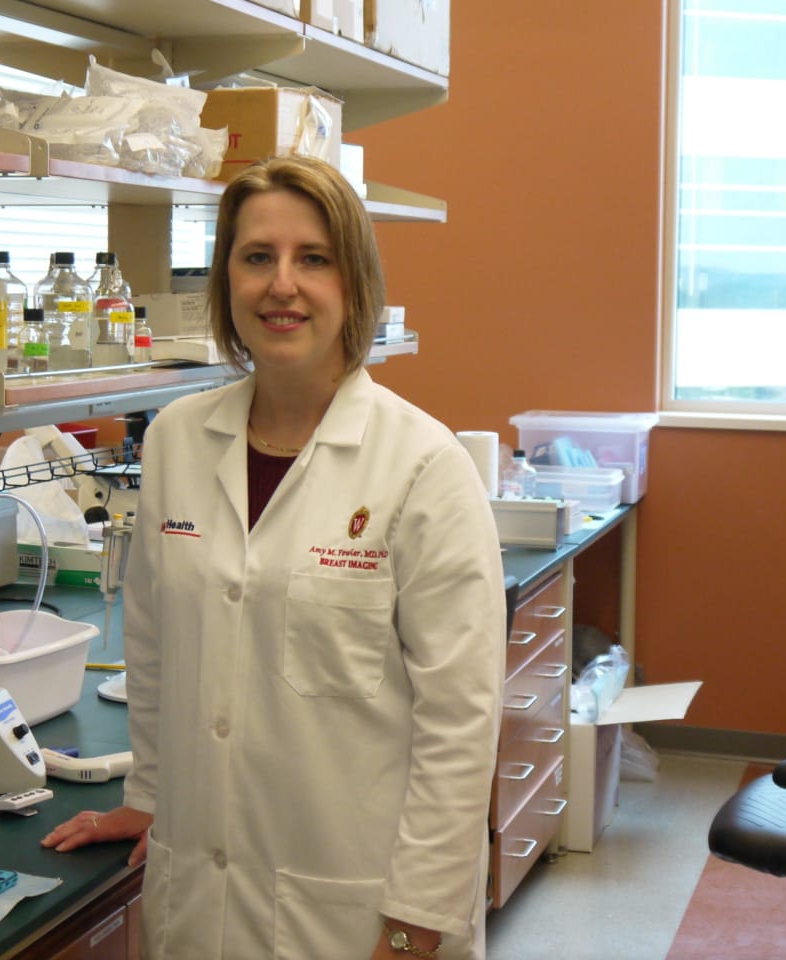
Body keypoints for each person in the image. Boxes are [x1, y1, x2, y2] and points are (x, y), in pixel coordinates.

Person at [41, 154, 506, 960]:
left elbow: (460, 725)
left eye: (312, 259)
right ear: (226, 281)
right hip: (197, 897)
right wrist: (149, 796)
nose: (281, 285)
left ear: (354, 283)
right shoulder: (180, 440)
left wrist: (416, 920)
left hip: (353, 910)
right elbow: (154, 651)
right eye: (257, 258)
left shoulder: (422, 467)